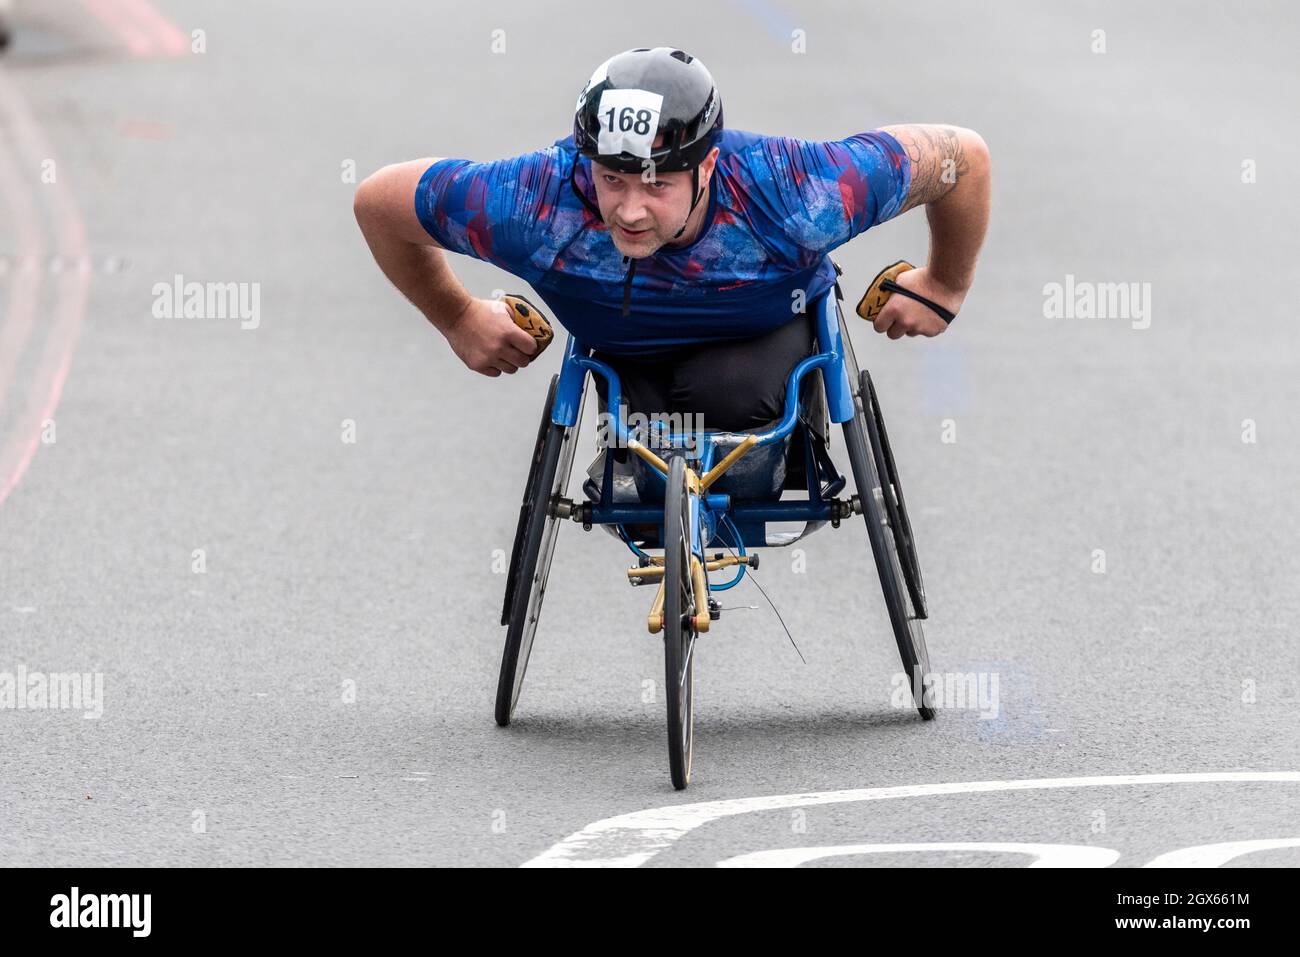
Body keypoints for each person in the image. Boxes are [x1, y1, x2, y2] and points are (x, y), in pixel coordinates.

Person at [354, 46, 990, 434]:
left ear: (706, 167)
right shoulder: (532, 201)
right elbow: (379, 202)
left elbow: (963, 158)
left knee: (724, 396)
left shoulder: (801, 191)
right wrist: (458, 317)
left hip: (758, 342)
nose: (630, 211)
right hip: (623, 353)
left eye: (656, 185)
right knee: (643, 435)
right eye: (611, 180)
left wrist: (943, 286)